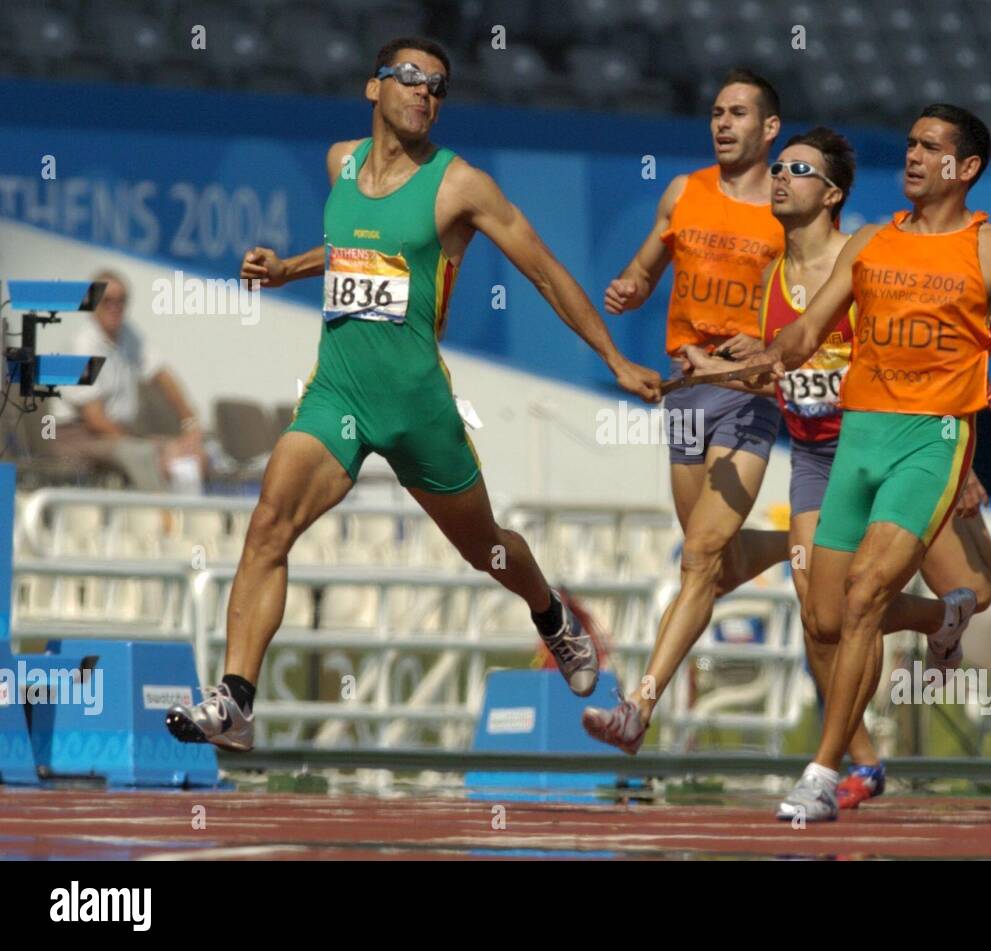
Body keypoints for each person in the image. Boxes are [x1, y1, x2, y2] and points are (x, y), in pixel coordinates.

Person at [165, 37, 661, 752]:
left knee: (486, 548)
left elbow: (546, 273)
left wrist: (613, 356)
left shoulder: (461, 186)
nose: (425, 93)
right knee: (268, 525)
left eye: (438, 85)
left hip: (417, 405)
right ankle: (237, 698)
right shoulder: (342, 162)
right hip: (336, 392)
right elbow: (348, 251)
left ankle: (552, 615)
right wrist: (286, 270)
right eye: (409, 78)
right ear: (374, 88)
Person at [748, 104, 991, 821]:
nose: (914, 157)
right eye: (910, 145)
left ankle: (823, 771)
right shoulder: (869, 240)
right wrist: (769, 352)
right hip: (858, 438)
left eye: (930, 148)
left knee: (866, 593)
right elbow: (810, 327)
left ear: (966, 169)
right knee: (827, 617)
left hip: (931, 440)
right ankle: (943, 618)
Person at [683, 127, 991, 808]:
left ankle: (831, 769)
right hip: (823, 461)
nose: (779, 178)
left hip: (902, 442)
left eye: (797, 169)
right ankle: (861, 755)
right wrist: (724, 370)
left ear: (833, 194)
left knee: (951, 590)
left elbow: (940, 352)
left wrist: (960, 446)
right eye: (779, 167)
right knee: (822, 614)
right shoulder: (778, 273)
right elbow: (793, 358)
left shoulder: (887, 257)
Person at [582, 69, 791, 753]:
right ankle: (803, 543)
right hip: (684, 388)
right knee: (718, 565)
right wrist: (629, 286)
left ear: (769, 129)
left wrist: (763, 346)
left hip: (748, 390)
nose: (722, 124)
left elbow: (808, 313)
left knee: (699, 558)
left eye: (738, 113)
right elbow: (645, 268)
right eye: (715, 112)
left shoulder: (793, 213)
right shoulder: (685, 191)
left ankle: (638, 706)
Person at [48, 270, 207, 491]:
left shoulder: (128, 335)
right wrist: (143, 443)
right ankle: (163, 516)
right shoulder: (81, 347)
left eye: (121, 300)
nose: (115, 306)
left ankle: (190, 516)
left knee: (184, 451)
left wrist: (190, 425)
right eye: (107, 300)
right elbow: (95, 420)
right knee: (142, 453)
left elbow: (161, 374)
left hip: (114, 435)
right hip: (77, 437)